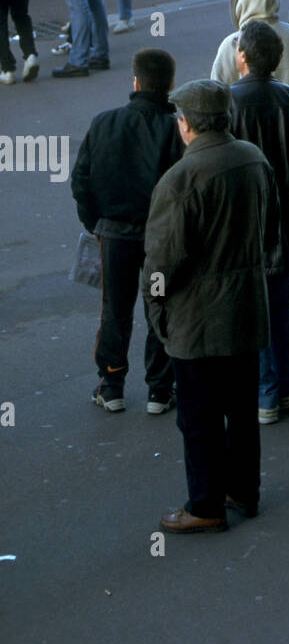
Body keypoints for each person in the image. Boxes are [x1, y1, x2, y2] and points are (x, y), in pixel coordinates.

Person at [144, 79, 281, 533]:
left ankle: (204, 506)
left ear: (187, 125)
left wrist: (156, 306)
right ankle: (244, 490)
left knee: (198, 416)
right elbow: (272, 234)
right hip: (246, 308)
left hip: (198, 318)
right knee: (241, 410)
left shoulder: (180, 179)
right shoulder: (253, 158)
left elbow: (164, 261)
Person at [71, 49, 183, 413]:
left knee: (115, 310)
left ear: (135, 82)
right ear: (169, 85)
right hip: (158, 239)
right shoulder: (174, 130)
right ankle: (159, 389)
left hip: (114, 235)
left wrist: (95, 223)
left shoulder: (104, 122)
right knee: (160, 307)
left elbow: (81, 180)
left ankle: (112, 383)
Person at [229, 21, 289, 424]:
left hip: (242, 227)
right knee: (280, 306)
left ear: (243, 57)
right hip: (287, 223)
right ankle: (282, 386)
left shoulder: (228, 104)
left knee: (248, 313)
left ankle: (267, 390)